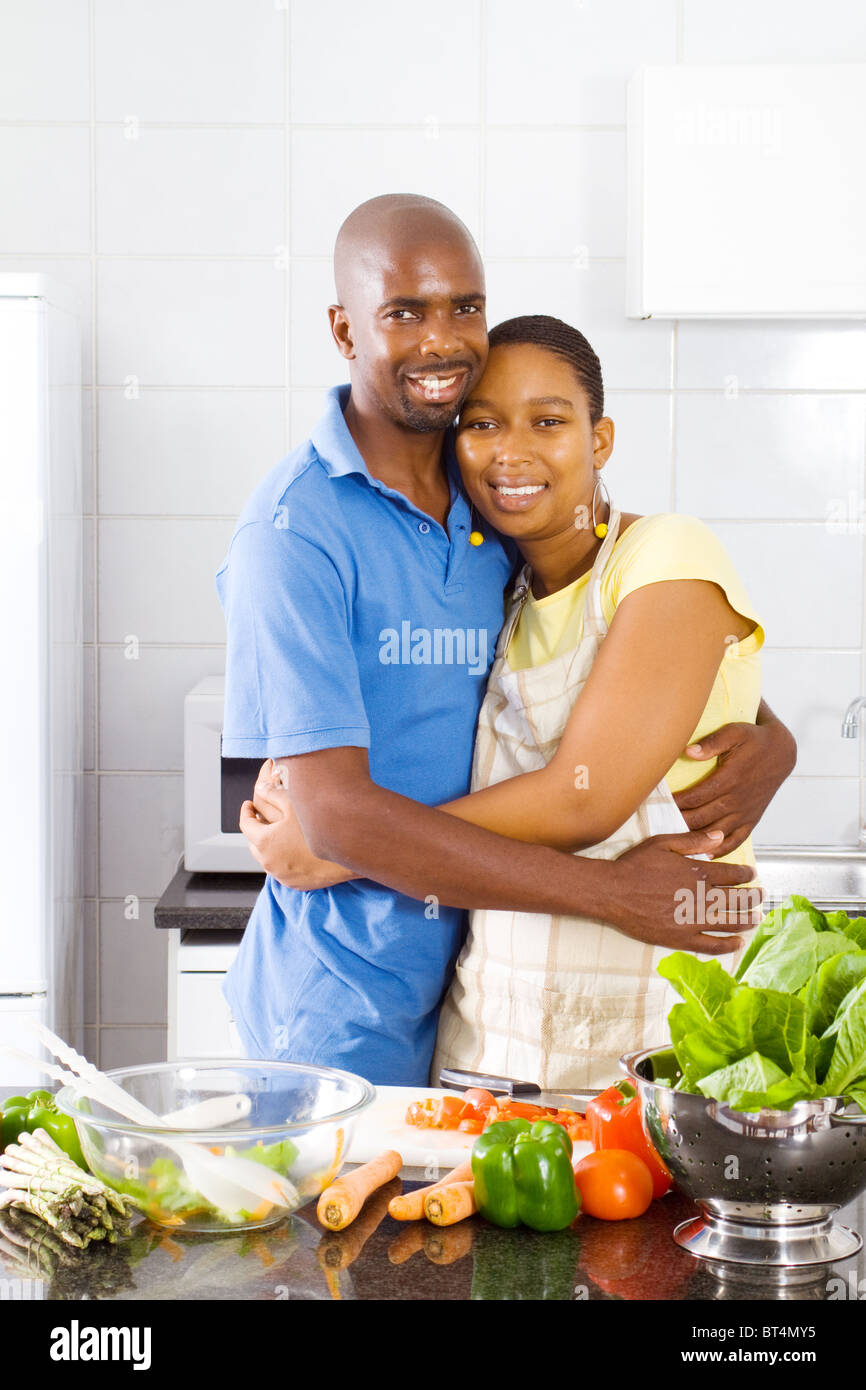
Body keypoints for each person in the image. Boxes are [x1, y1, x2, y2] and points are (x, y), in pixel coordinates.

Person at [219, 194, 794, 1087]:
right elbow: (334, 819)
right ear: (344, 329)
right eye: (403, 312)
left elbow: (656, 667)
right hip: (344, 998)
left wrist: (774, 738)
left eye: (464, 307)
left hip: (475, 992)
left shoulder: (488, 515)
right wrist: (612, 893)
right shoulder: (295, 531)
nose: (440, 339)